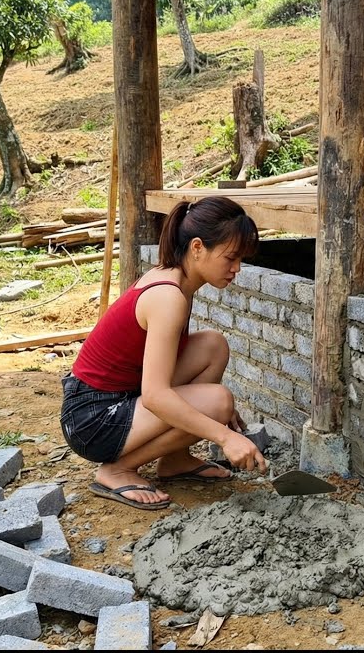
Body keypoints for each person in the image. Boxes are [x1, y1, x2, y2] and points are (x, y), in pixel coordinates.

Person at [60, 196, 269, 510]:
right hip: (92, 419)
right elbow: (155, 396)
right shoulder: (167, 297)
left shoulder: (178, 281)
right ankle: (117, 470)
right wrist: (225, 436)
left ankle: (175, 459)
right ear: (197, 247)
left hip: (115, 398)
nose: (236, 268)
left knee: (213, 345)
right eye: (230, 257)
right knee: (218, 401)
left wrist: (208, 414)